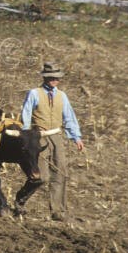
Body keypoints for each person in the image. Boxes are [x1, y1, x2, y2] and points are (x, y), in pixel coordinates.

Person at [19, 61, 84, 221]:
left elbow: (69, 117)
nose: (54, 80)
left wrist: (76, 137)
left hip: (56, 136)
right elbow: (26, 115)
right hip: (38, 136)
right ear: (45, 78)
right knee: (41, 176)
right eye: (51, 77)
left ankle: (58, 211)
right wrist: (26, 136)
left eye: (57, 78)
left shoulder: (62, 96)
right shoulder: (34, 93)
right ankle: (20, 198)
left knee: (60, 173)